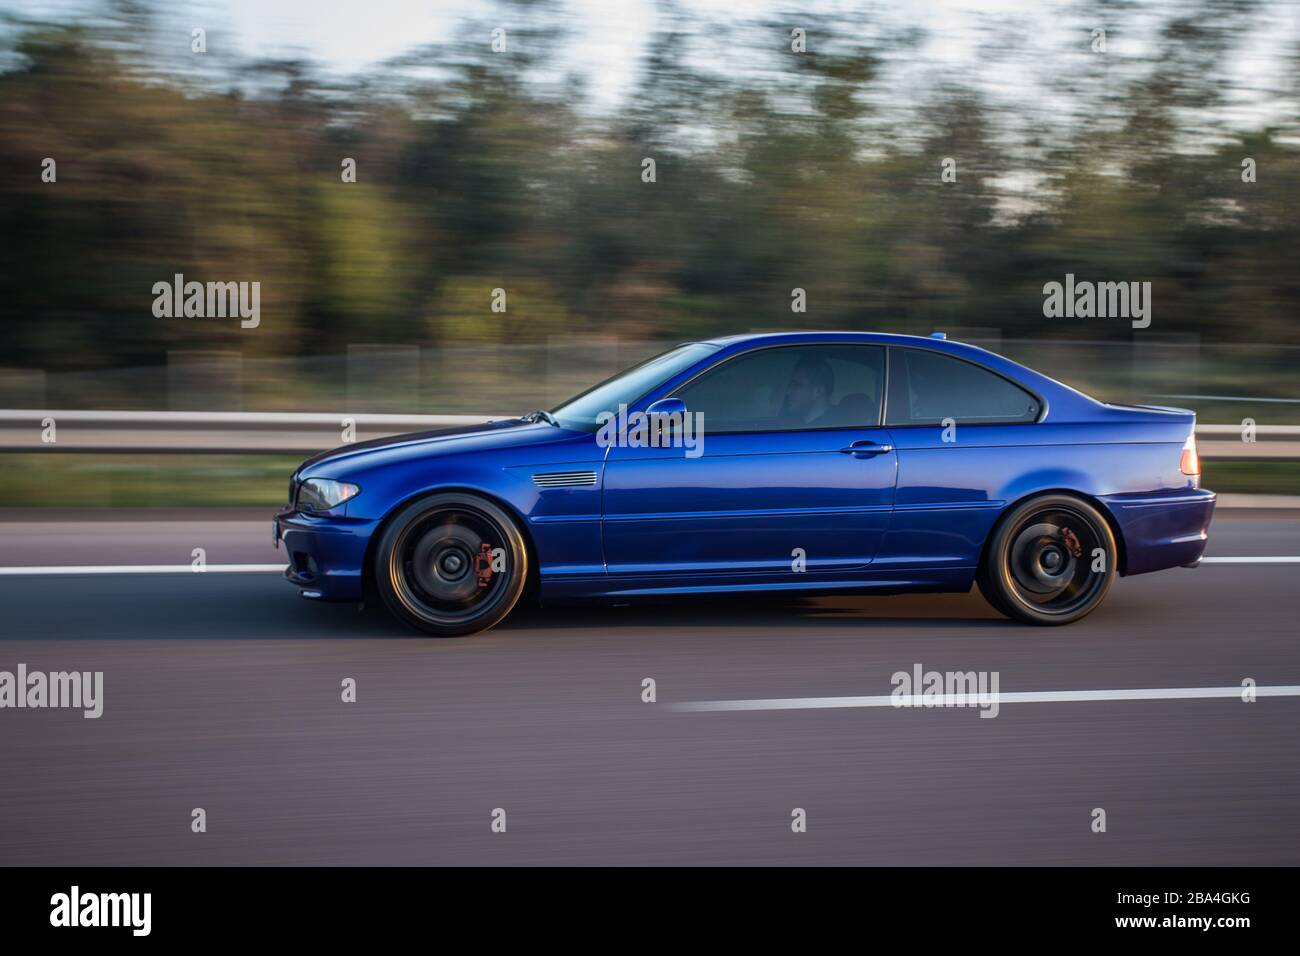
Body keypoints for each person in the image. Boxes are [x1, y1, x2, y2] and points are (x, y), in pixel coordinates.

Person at [781, 355, 835, 426]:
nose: (788, 392)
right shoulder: (796, 423)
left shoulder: (832, 427)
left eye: (797, 385)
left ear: (818, 391)